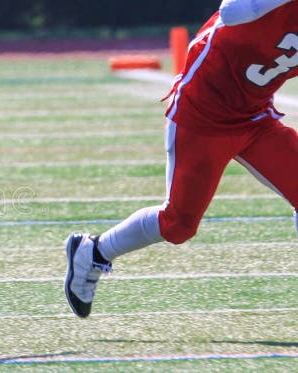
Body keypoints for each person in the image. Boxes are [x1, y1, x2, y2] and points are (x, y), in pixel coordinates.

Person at [64, 0, 298, 318]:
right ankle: (94, 251)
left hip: (255, 116)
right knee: (178, 225)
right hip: (202, 115)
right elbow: (232, 11)